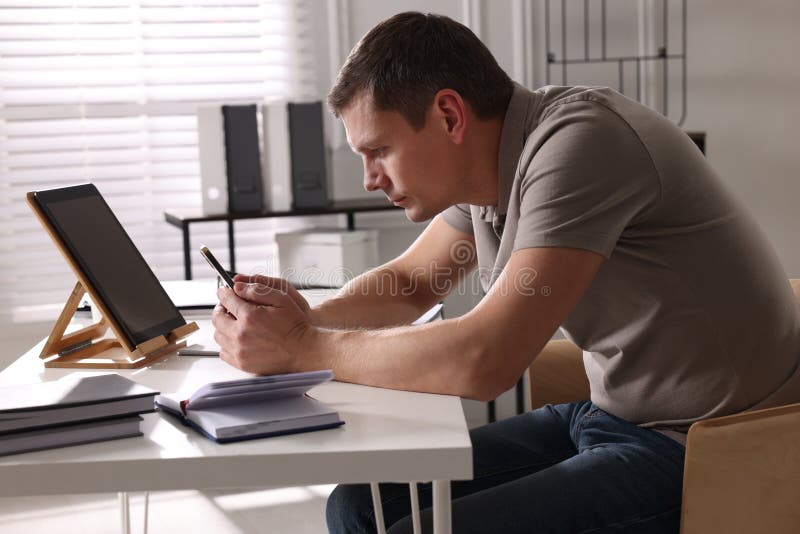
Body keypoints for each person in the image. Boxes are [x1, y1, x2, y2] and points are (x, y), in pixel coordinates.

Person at [211, 11, 800, 534]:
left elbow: (484, 360)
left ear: (449, 115)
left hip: (711, 445)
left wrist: (301, 346)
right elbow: (411, 285)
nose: (370, 179)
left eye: (379, 151)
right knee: (361, 507)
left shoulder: (581, 146)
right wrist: (301, 319)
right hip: (617, 416)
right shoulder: (489, 169)